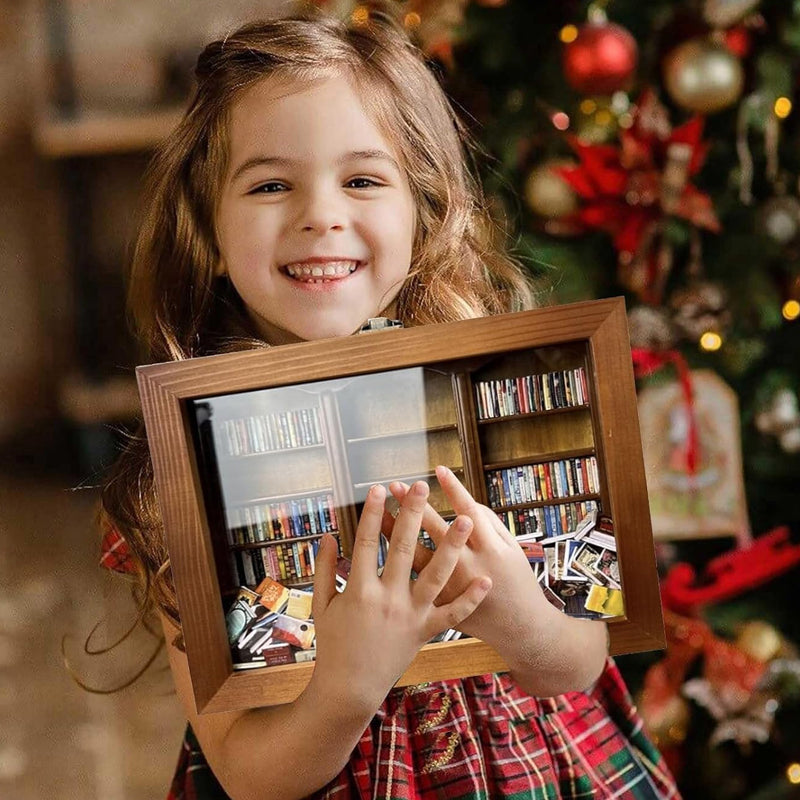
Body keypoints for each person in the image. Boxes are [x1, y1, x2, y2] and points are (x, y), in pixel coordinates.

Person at [98, 5, 681, 799]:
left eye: (364, 179)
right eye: (271, 184)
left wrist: (520, 617)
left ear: (423, 207)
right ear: (208, 230)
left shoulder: (502, 396)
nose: (320, 215)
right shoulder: (186, 471)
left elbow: (579, 660)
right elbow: (245, 769)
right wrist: (347, 682)